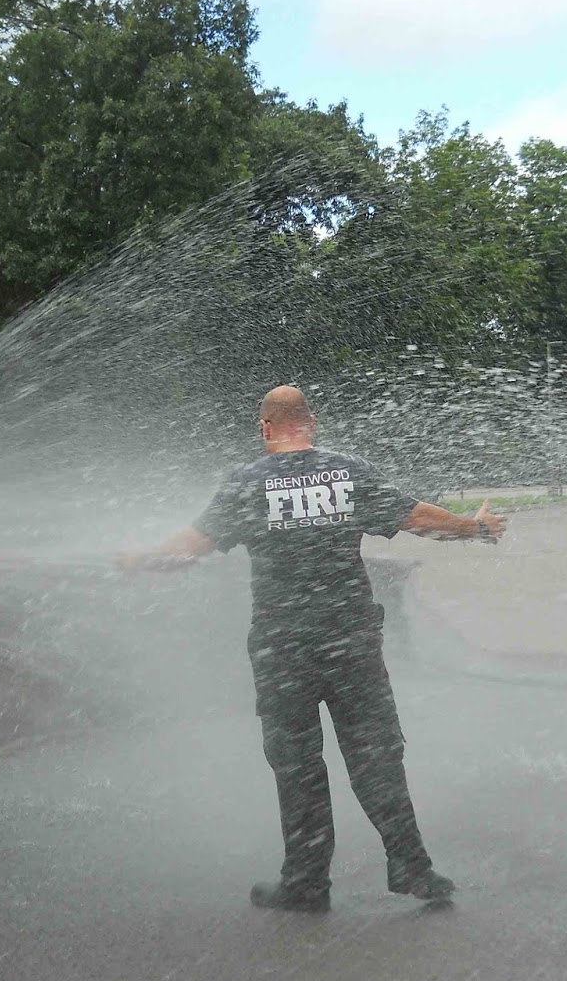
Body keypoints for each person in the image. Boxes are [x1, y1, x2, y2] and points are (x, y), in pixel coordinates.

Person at [121, 385, 507, 913]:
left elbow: (190, 549)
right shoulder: (348, 471)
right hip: (350, 640)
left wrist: (138, 559)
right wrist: (477, 527)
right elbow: (416, 517)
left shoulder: (247, 483)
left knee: (297, 764)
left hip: (283, 649)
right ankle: (412, 867)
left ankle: (305, 881)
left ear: (265, 430)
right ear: (311, 423)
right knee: (376, 753)